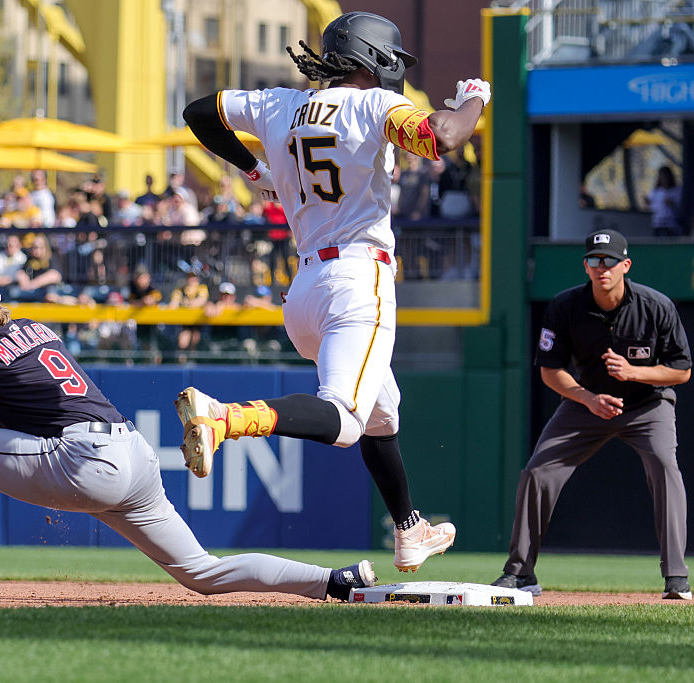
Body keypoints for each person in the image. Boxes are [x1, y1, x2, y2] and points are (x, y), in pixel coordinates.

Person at [0, 265, 375, 599]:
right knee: (202, 572)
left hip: (83, 459)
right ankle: (333, 583)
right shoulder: (36, 331)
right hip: (131, 454)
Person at [178, 11, 490, 572]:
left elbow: (198, 113)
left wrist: (255, 168)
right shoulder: (375, 106)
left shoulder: (279, 103)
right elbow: (443, 136)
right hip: (357, 280)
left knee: (382, 414)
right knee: (345, 420)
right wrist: (474, 99)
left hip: (304, 293)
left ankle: (409, 529)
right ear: (374, 58)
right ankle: (224, 418)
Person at [493, 230, 692, 600]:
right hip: (587, 403)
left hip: (647, 405)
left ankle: (676, 578)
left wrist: (634, 373)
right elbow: (550, 370)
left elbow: (681, 370)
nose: (603, 267)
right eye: (595, 260)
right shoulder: (566, 306)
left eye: (610, 260)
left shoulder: (655, 305)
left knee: (666, 467)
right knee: (538, 472)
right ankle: (520, 573)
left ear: (625, 265)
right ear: (586, 265)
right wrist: (587, 398)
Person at [646, 165, 683, 237]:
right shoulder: (656, 192)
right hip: (658, 224)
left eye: (665, 177)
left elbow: (682, 207)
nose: (663, 179)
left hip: (671, 225)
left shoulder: (677, 191)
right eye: (661, 177)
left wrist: (672, 203)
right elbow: (651, 204)